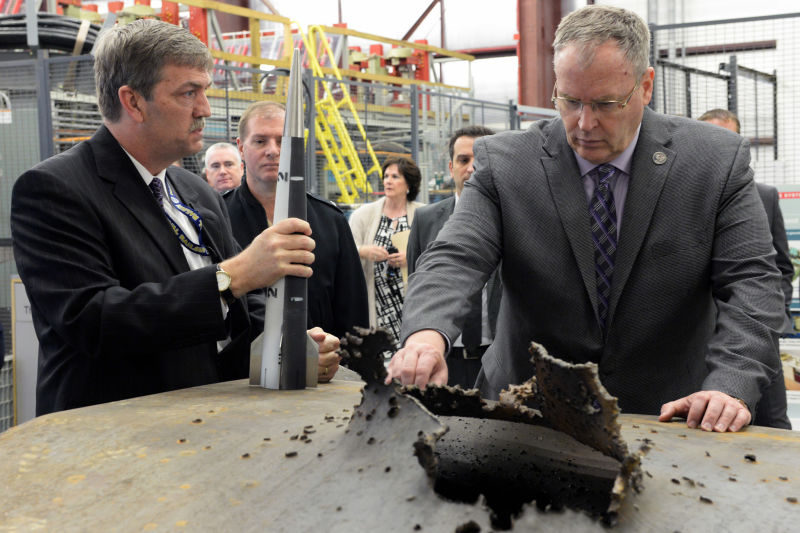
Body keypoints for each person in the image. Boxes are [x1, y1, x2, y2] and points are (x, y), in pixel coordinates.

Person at [388, 5, 785, 433]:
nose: (584, 123)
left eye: (606, 103)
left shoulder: (713, 162)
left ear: (646, 86)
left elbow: (752, 282)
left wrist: (728, 386)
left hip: (670, 418)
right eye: (569, 100)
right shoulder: (505, 164)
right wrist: (427, 337)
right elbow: (455, 256)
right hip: (528, 413)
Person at [10, 19, 339, 416]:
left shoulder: (194, 190)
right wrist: (230, 277)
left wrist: (290, 346)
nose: (206, 108)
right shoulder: (54, 189)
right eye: (189, 93)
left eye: (205, 91)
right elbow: (94, 320)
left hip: (202, 423)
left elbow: (237, 310)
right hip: (110, 437)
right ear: (133, 102)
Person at [224, 101, 368, 338]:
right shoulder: (217, 219)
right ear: (240, 147)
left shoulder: (330, 221)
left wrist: (346, 367)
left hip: (322, 369)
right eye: (260, 141)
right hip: (238, 370)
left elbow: (353, 312)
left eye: (282, 141)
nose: (272, 150)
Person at [699, 108, 792, 429]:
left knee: (773, 418)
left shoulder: (764, 196)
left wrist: (772, 313)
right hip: (706, 338)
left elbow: (779, 266)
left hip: (755, 332)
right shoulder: (688, 199)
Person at [407, 125, 500, 388]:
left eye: (480, 159)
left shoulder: (514, 218)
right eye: (463, 160)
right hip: (444, 361)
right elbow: (416, 282)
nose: (471, 167)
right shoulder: (426, 219)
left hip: (494, 361)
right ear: (451, 168)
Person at [349, 157, 425, 348]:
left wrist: (411, 257)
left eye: (395, 176)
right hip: (377, 300)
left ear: (408, 184)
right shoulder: (363, 215)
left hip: (410, 300)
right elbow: (347, 251)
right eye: (386, 176)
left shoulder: (424, 214)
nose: (388, 181)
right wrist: (365, 251)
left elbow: (436, 253)